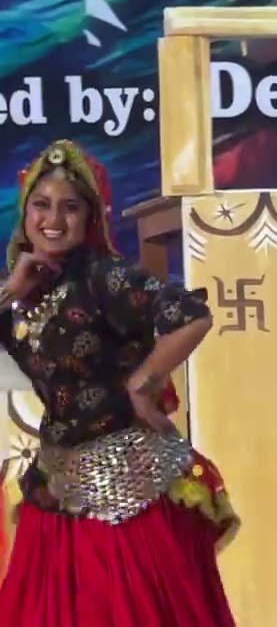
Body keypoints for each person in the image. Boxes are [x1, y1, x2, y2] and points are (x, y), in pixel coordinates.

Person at [0, 139, 239, 626]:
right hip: (57, 494)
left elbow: (191, 315)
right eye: (41, 206)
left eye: (70, 208)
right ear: (25, 214)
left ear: (91, 218)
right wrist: (12, 291)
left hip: (123, 495)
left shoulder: (102, 278)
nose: (54, 219)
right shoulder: (30, 289)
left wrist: (143, 383)